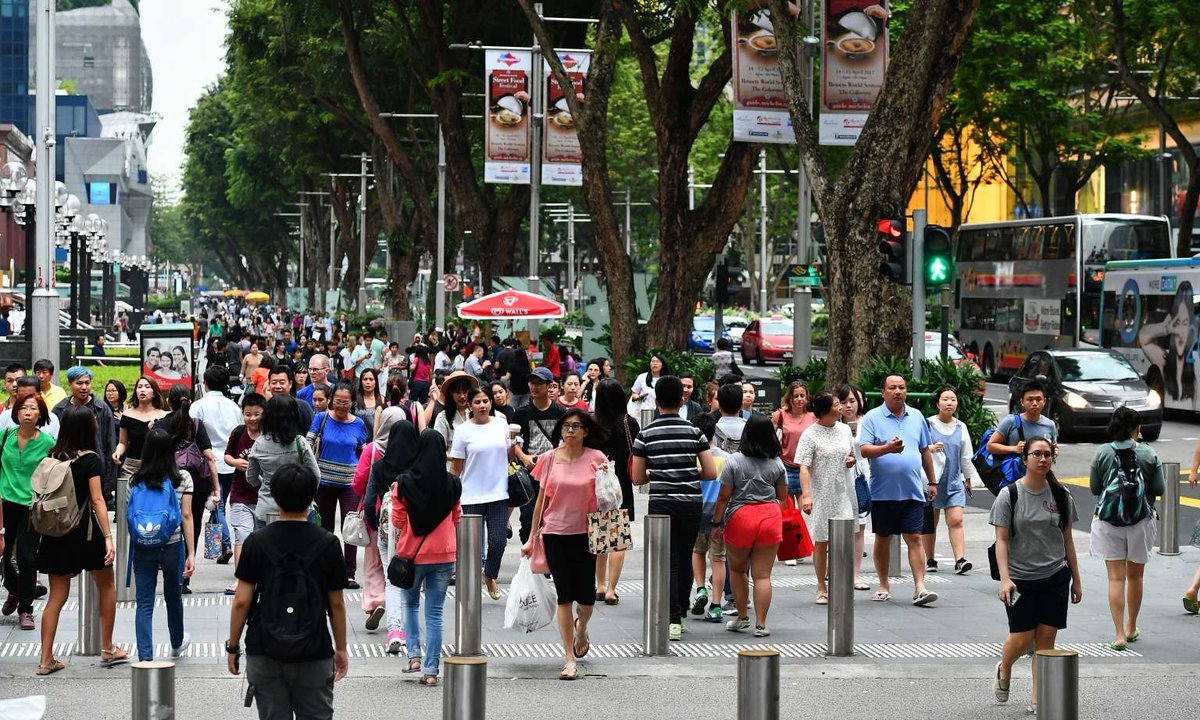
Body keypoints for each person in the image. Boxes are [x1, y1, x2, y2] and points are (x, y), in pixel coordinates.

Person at [227, 463, 349, 718]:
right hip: (314, 649)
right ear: (311, 496)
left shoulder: (256, 542)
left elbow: (242, 601)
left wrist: (233, 646)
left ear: (275, 496)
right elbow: (336, 604)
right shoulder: (328, 544)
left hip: (266, 649)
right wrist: (341, 648)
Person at [36, 405, 129, 674]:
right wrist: (109, 538)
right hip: (86, 533)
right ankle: (108, 647)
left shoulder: (53, 455)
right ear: (88, 429)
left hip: (56, 533)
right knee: (106, 585)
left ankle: (46, 659)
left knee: (56, 597)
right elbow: (98, 500)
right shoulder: (91, 460)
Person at [990, 437, 1081, 713]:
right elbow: (1002, 541)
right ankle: (1004, 667)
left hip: (1054, 576)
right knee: (1020, 638)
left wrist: (1076, 579)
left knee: (1045, 641)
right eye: (1036, 454)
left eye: (1047, 454)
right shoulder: (1010, 495)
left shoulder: (1061, 496)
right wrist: (1005, 579)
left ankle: (1038, 696)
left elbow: (1068, 540)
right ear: (1025, 459)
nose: (1042, 459)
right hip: (1020, 579)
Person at [523, 409, 608, 680]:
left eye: (576, 426)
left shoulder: (597, 458)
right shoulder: (549, 459)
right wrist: (531, 536)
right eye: (566, 426)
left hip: (587, 534)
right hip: (555, 533)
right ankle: (569, 659)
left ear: (585, 432)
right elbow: (540, 501)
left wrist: (608, 477)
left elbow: (609, 497)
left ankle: (581, 628)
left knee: (586, 599)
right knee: (564, 595)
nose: (570, 430)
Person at [631, 375, 717, 642]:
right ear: (682, 399)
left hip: (661, 503)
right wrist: (689, 474)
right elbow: (711, 471)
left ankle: (671, 618)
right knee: (685, 555)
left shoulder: (645, 435)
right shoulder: (695, 432)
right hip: (691, 502)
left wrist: (659, 474)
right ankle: (680, 615)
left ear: (656, 401)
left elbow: (637, 477)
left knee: (666, 560)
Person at [857, 374, 939, 606]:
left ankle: (920, 587)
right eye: (892, 388)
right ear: (883, 392)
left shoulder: (917, 416)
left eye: (902, 387)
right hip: (883, 492)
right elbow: (864, 450)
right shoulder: (873, 417)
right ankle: (884, 584)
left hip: (913, 490)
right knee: (883, 538)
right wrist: (887, 449)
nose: (897, 391)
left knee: (914, 537)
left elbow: (924, 451)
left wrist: (932, 482)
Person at [1087, 406, 1163, 650]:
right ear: (1136, 428)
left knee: (1115, 578)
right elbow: (1159, 488)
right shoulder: (1148, 454)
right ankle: (1132, 627)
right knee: (1135, 576)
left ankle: (1118, 634)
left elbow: (1095, 488)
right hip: (1141, 521)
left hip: (1108, 522)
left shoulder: (1102, 453)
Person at [393, 429, 462, 685]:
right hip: (444, 555)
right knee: (435, 613)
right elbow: (457, 518)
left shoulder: (404, 482)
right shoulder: (453, 483)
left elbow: (398, 520)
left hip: (413, 555)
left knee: (410, 604)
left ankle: (413, 656)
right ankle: (431, 671)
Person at [711, 414, 787, 636]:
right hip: (769, 517)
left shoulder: (733, 461)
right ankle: (761, 624)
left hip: (740, 517)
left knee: (737, 570)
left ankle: (742, 616)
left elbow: (724, 496)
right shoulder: (777, 463)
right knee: (763, 575)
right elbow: (782, 497)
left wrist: (716, 522)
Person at [128, 427, 196, 661]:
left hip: (143, 546)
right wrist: (192, 553)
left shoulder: (134, 481)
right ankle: (176, 643)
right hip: (172, 544)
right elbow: (186, 516)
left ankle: (145, 657)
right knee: (173, 595)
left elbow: (131, 514)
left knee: (144, 602)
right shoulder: (182, 478)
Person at [446, 386, 510, 599]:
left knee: (498, 542)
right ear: (469, 405)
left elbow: (509, 454)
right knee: (470, 549)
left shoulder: (502, 425)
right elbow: (456, 468)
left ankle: (490, 575)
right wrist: (451, 497)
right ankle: (469, 589)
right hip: (470, 495)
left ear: (491, 402)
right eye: (477, 402)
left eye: (485, 401)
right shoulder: (463, 431)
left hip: (499, 494)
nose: (482, 406)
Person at [795, 392, 857, 606]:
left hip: (842, 491)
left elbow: (850, 455)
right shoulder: (810, 434)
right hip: (820, 491)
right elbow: (804, 466)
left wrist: (850, 460)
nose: (841, 406)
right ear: (824, 410)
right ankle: (821, 586)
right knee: (821, 541)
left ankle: (839, 583)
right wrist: (806, 495)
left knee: (843, 540)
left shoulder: (845, 429)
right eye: (837, 404)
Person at [0, 393, 55, 630]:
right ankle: (14, 588)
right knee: (3, 558)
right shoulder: (4, 437)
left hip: (32, 506)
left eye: (33, 408)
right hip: (6, 504)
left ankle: (25, 609)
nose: (27, 412)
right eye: (23, 408)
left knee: (26, 557)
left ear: (40, 414)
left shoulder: (47, 443)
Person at [351, 407, 407, 632]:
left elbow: (358, 482)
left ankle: (376, 601)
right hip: (405, 517)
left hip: (377, 514)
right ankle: (397, 604)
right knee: (397, 559)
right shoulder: (411, 449)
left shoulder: (373, 450)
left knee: (374, 561)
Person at [309, 382, 370, 587]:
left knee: (350, 526)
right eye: (338, 401)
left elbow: (363, 453)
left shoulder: (359, 424)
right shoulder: (321, 418)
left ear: (353, 402)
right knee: (324, 529)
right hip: (323, 482)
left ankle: (349, 573)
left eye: (346, 402)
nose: (342, 406)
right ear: (331, 400)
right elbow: (308, 445)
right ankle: (325, 569)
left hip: (349, 484)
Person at [164, 384, 221, 593]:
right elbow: (209, 457)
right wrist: (216, 488)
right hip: (195, 485)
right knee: (192, 526)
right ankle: (184, 577)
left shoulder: (161, 424)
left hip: (167, 484)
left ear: (168, 401)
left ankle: (169, 571)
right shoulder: (196, 424)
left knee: (168, 525)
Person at [924, 387, 981, 575]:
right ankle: (930, 559)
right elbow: (919, 448)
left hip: (954, 481)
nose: (949, 403)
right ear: (937, 403)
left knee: (956, 520)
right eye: (945, 399)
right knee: (931, 522)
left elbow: (966, 455)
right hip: (933, 481)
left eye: (953, 399)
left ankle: (960, 560)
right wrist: (931, 448)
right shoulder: (928, 424)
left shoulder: (961, 427)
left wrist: (968, 478)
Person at [592, 378, 639, 605]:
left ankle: (599, 586)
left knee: (600, 534)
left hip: (597, 487)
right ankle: (611, 589)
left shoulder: (592, 423)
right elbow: (635, 452)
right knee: (618, 538)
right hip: (621, 486)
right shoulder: (629, 422)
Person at [192, 365, 243, 565]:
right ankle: (220, 548)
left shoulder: (199, 406)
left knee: (217, 505)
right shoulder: (234, 407)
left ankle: (226, 544)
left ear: (205, 383)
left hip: (207, 464)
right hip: (230, 463)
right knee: (217, 505)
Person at [512, 367, 567, 542]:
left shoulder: (560, 413)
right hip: (529, 472)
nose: (534, 387)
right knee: (528, 519)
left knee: (552, 517)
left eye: (539, 383)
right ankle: (528, 559)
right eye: (532, 383)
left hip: (554, 471)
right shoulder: (521, 413)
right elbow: (511, 442)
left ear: (550, 386)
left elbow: (568, 441)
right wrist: (524, 457)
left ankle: (547, 561)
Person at [248, 395, 320, 525]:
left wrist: (265, 484)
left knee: (265, 545)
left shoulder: (259, 444)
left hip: (266, 508)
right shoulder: (300, 443)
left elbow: (251, 477)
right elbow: (316, 475)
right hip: (299, 509)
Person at [51, 367, 117, 504]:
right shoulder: (60, 409)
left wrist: (109, 481)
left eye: (87, 383)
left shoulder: (102, 408)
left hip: (95, 468)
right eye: (79, 383)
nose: (84, 387)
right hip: (66, 469)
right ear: (70, 384)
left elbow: (110, 443)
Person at [223, 393, 265, 594]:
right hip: (240, 495)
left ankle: (261, 578)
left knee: (260, 537)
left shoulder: (268, 435)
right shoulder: (238, 432)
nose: (252, 418)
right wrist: (235, 462)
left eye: (257, 414)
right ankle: (241, 579)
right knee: (242, 534)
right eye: (248, 414)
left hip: (264, 497)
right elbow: (227, 456)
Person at [986, 379, 1058, 478]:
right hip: (1015, 477)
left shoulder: (1050, 425)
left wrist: (1054, 452)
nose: (1034, 403)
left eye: (1038, 399)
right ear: (1022, 402)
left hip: (1041, 477)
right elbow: (990, 446)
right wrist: (1014, 449)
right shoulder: (1011, 421)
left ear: (1044, 401)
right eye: (1030, 399)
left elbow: (1053, 447)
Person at [837, 384, 871, 590]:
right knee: (837, 525)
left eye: (852, 400)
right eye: (843, 401)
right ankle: (834, 571)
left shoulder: (867, 423)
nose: (848, 405)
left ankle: (855, 575)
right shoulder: (831, 424)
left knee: (859, 527)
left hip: (861, 474)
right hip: (838, 476)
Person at [113, 376, 168, 488]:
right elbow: (123, 442)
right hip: (131, 465)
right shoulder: (127, 414)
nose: (142, 390)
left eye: (147, 387)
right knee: (126, 499)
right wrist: (117, 452)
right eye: (139, 387)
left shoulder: (163, 416)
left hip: (155, 465)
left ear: (154, 392)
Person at [773, 380, 815, 510]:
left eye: (802, 396)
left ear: (807, 397)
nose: (799, 399)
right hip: (786, 467)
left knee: (806, 511)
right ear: (789, 398)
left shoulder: (813, 417)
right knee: (787, 512)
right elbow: (771, 439)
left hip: (806, 467)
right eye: (795, 396)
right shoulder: (780, 415)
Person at [433, 371, 477, 455]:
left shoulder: (475, 413)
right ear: (451, 393)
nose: (462, 396)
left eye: (465, 392)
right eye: (457, 392)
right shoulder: (442, 417)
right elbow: (439, 448)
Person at [355, 368, 384, 439]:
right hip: (358, 440)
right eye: (365, 379)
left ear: (376, 381)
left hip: (376, 441)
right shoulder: (354, 399)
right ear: (361, 382)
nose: (368, 382)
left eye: (371, 379)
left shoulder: (382, 399)